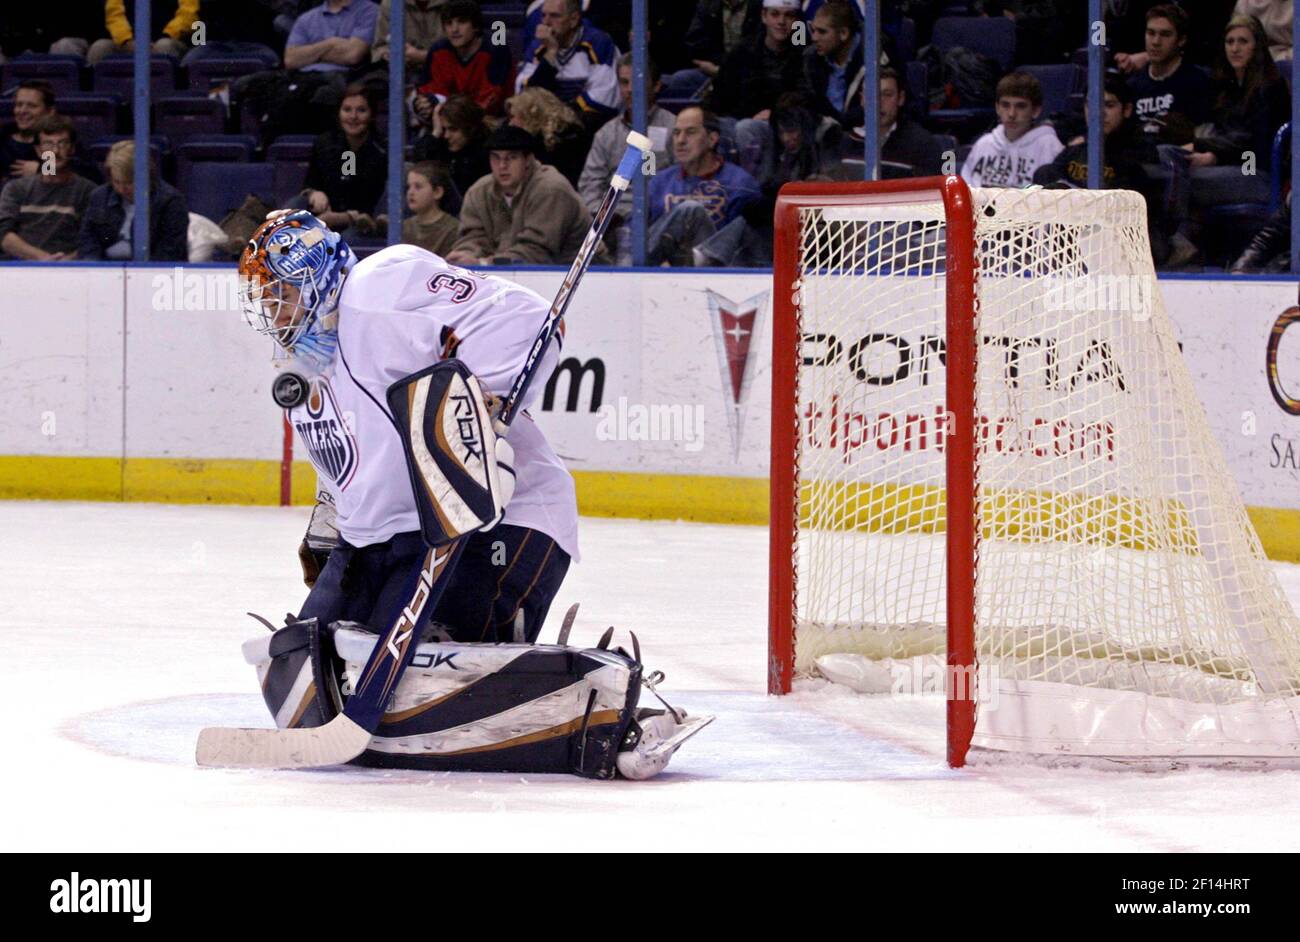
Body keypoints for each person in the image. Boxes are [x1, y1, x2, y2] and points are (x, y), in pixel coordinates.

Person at [234, 209, 698, 777]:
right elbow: (351, 464)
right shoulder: (307, 364)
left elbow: (529, 321)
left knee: (437, 678)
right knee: (308, 672)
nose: (273, 313)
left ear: (315, 277)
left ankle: (607, 702)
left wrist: (483, 414)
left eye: (280, 293)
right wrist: (333, 526)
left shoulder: (380, 286)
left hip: (505, 519)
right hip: (399, 538)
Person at [447, 124, 597, 265]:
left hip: (584, 272)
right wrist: (464, 256)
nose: (502, 166)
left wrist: (484, 263)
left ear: (528, 160)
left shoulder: (551, 188)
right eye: (496, 157)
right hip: (515, 273)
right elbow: (472, 238)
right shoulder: (479, 191)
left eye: (511, 157)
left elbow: (537, 252)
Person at [578, 52, 676, 264]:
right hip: (615, 223)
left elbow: (682, 179)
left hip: (658, 218)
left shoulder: (674, 128)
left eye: (637, 82)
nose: (630, 89)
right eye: (624, 82)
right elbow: (590, 185)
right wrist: (602, 216)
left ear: (656, 85)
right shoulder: (606, 134)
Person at [647, 105, 760, 266]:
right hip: (656, 273)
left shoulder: (740, 184)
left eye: (690, 132)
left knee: (691, 209)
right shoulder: (658, 183)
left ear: (712, 139)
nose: (680, 141)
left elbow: (742, 247)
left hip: (716, 277)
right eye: (676, 133)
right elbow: (633, 236)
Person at [707, 0, 807, 178]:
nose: (781, 21)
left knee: (747, 129)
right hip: (739, 119)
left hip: (783, 125)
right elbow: (720, 99)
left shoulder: (804, 55)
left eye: (788, 16)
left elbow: (804, 98)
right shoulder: (742, 52)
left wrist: (775, 114)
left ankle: (750, 187)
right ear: (764, 16)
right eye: (775, 14)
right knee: (710, 127)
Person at [0, 116, 96, 261]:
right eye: (48, 144)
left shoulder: (88, 191)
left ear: (72, 148)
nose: (55, 151)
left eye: (62, 143)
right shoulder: (15, 189)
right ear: (38, 150)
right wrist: (43, 259)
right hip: (23, 271)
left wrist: (65, 263)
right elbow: (4, 235)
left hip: (71, 271)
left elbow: (93, 240)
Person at [1033, 73, 1149, 192]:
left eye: (1109, 105)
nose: (1099, 113)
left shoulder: (1139, 149)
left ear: (1127, 109)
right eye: (1092, 105)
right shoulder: (1078, 144)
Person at [516, 0, 621, 130]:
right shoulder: (538, 46)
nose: (546, 22)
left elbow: (603, 97)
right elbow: (525, 95)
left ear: (574, 19)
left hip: (586, 125)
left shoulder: (598, 43)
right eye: (544, 15)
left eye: (554, 16)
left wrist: (561, 116)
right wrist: (550, 54)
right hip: (546, 123)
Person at [78, 140, 189, 261]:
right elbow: (88, 241)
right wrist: (94, 268)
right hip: (105, 270)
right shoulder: (99, 197)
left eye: (129, 183)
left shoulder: (170, 201)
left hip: (150, 271)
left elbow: (170, 251)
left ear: (146, 176)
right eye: (117, 182)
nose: (121, 189)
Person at [299, 82, 388, 233]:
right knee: (298, 203)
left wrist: (343, 217)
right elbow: (311, 181)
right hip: (325, 214)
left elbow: (371, 201)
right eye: (347, 110)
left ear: (372, 115)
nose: (353, 117)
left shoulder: (382, 150)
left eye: (361, 110)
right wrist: (314, 193)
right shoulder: (324, 143)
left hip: (363, 221)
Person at [1126, 4, 1214, 147]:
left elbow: (1208, 134)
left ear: (1181, 40)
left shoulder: (1200, 81)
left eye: (1165, 34)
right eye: (1151, 33)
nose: (1155, 42)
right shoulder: (1132, 85)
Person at [960, 71, 1064, 187]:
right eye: (1005, 105)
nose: (1011, 114)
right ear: (997, 108)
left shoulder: (1049, 146)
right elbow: (965, 189)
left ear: (1036, 111)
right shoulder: (984, 144)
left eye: (1020, 106)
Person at [414, 0, 515, 119]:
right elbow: (429, 91)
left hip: (491, 121)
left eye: (462, 22)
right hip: (449, 120)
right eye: (449, 23)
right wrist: (427, 104)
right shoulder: (438, 50)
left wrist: (448, 109)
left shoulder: (496, 49)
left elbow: (490, 102)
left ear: (476, 26)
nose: (454, 29)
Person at [838, 67, 945, 178]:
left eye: (887, 95)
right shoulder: (845, 143)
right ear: (862, 99)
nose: (878, 102)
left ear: (901, 98)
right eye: (871, 94)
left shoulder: (922, 144)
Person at [505, 87, 590, 188]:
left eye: (513, 117)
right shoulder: (570, 131)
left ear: (529, 115)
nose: (510, 124)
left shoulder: (558, 144)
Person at [412, 94, 492, 199]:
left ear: (470, 128)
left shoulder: (486, 153)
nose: (446, 136)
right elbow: (419, 160)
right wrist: (436, 132)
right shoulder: (441, 145)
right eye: (444, 129)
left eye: (453, 129)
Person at [804, 0, 864, 131]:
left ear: (844, 33)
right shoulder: (810, 59)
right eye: (813, 30)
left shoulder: (874, 58)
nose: (814, 38)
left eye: (822, 32)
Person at [88, 0, 197, 64]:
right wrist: (126, 40)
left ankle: (161, 99)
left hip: (168, 39)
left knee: (164, 46)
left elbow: (188, 14)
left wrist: (166, 35)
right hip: (129, 43)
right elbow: (113, 14)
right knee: (100, 48)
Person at [371, 0, 447, 81]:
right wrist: (389, 54)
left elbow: (460, 51)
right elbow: (379, 48)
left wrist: (421, 56)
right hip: (405, 74)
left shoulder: (452, 2)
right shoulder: (391, 3)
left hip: (447, 70)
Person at [0, 81, 56, 181]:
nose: (22, 111)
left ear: (49, 111)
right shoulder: (3, 137)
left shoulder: (59, 140)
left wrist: (41, 170)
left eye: (31, 106)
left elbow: (83, 176)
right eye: (19, 105)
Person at [401, 160, 458, 255]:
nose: (410, 192)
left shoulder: (453, 229)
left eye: (418, 187)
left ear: (437, 192)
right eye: (409, 187)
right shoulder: (404, 227)